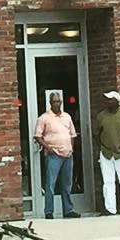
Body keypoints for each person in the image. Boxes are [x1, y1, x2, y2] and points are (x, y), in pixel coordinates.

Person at [33, 91, 81, 219]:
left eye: (58, 101)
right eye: (54, 102)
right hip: (53, 154)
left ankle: (68, 210)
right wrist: (48, 148)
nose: (57, 104)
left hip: (67, 155)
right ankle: (49, 211)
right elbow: (37, 136)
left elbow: (72, 134)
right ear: (50, 103)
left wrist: (71, 147)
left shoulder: (67, 116)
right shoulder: (44, 118)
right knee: (50, 184)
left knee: (67, 184)